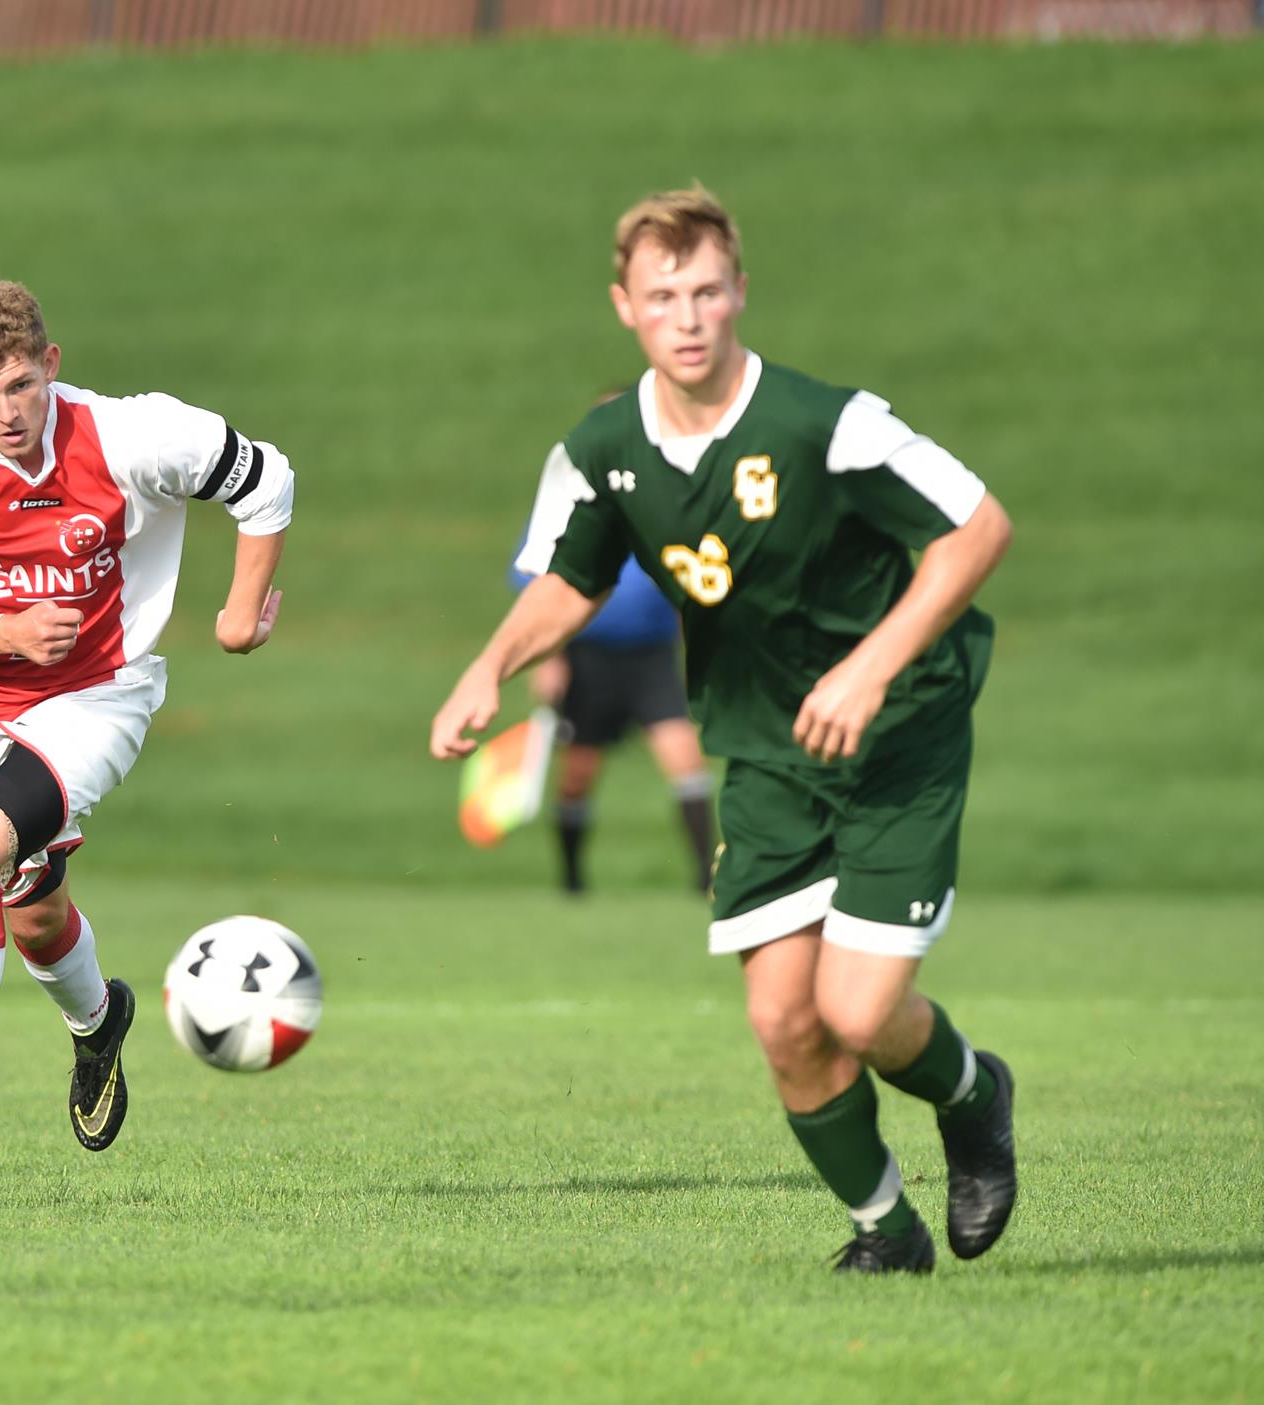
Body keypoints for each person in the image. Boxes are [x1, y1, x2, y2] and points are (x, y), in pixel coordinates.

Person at [429, 188, 1018, 1273]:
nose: (687, 315)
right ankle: (885, 1232)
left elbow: (978, 526)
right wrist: (487, 666)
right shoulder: (601, 448)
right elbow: (571, 576)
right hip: (763, 750)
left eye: (705, 289)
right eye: (663, 296)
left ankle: (974, 1095)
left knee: (854, 1007)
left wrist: (867, 669)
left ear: (739, 290)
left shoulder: (824, 423)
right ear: (625, 307)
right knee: (784, 1023)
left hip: (897, 734)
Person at [0, 278, 293, 1200]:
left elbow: (266, 478)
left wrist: (240, 612)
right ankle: (99, 1022)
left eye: (21, 384)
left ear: (51, 364)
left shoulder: (133, 434)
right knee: (34, 914)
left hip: (103, 692)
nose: (7, 413)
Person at [508, 397, 715, 895]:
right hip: (587, 657)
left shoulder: (672, 495)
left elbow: (698, 580)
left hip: (651, 657)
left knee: (686, 758)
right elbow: (534, 579)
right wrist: (549, 656)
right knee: (578, 773)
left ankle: (706, 877)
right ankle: (573, 881)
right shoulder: (572, 495)